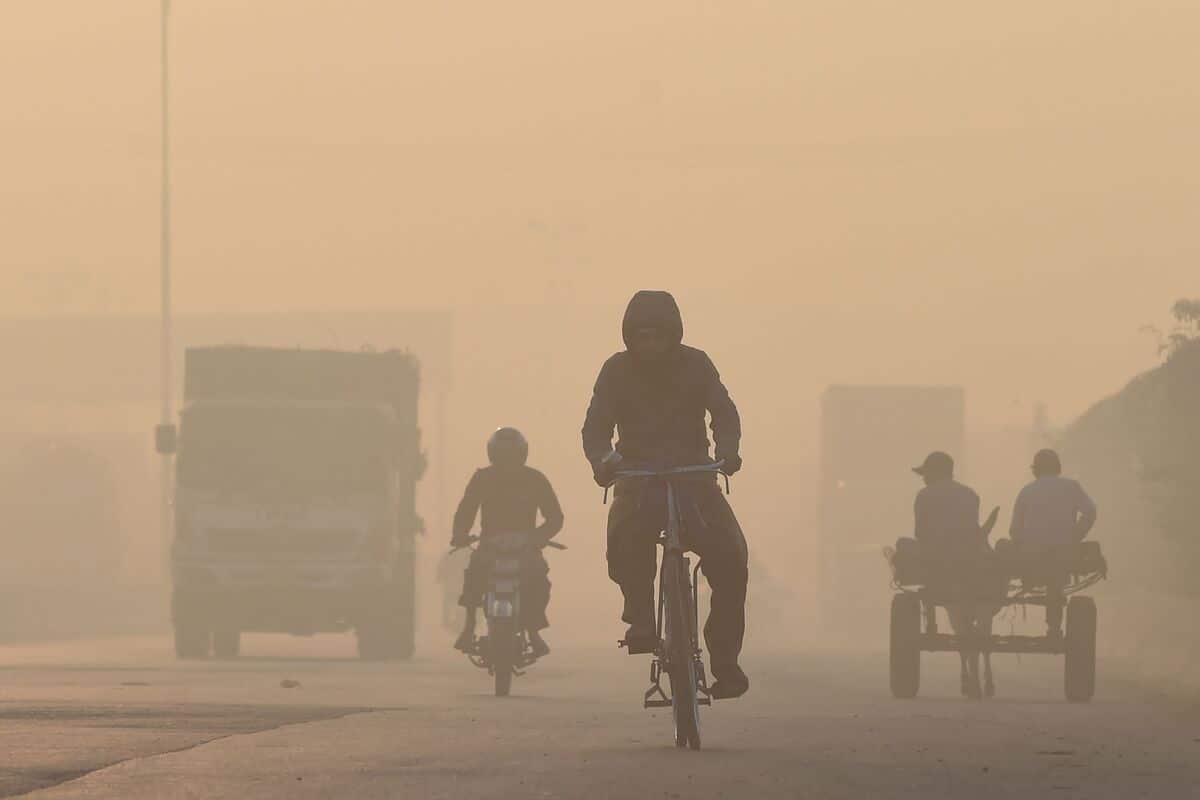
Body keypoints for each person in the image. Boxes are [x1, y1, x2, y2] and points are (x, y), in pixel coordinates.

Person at [582, 290, 750, 700]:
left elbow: (723, 412)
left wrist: (727, 450)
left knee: (732, 559)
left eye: (657, 336)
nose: (650, 345)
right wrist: (604, 461)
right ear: (629, 337)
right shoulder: (616, 370)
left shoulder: (697, 364)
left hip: (695, 478)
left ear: (673, 335)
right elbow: (595, 427)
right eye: (642, 337)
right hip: (638, 477)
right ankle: (640, 619)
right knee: (624, 540)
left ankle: (725, 662)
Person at [451, 427, 564, 657]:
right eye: (503, 456)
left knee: (538, 577)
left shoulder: (535, 479)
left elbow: (555, 517)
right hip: (490, 545)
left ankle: (533, 631)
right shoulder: (482, 478)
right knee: (475, 573)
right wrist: (460, 534)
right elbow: (466, 510)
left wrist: (539, 537)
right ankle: (469, 626)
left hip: (525, 546)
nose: (507, 462)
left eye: (511, 456)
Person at [1009, 448, 1097, 638]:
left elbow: (1014, 531)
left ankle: (1053, 624)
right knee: (1055, 584)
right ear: (1057, 467)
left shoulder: (1027, 491)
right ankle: (1054, 628)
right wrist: (1075, 536)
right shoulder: (1072, 487)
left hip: (1032, 557)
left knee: (1004, 546)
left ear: (1035, 470)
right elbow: (1090, 512)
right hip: (1063, 554)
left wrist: (1021, 545)